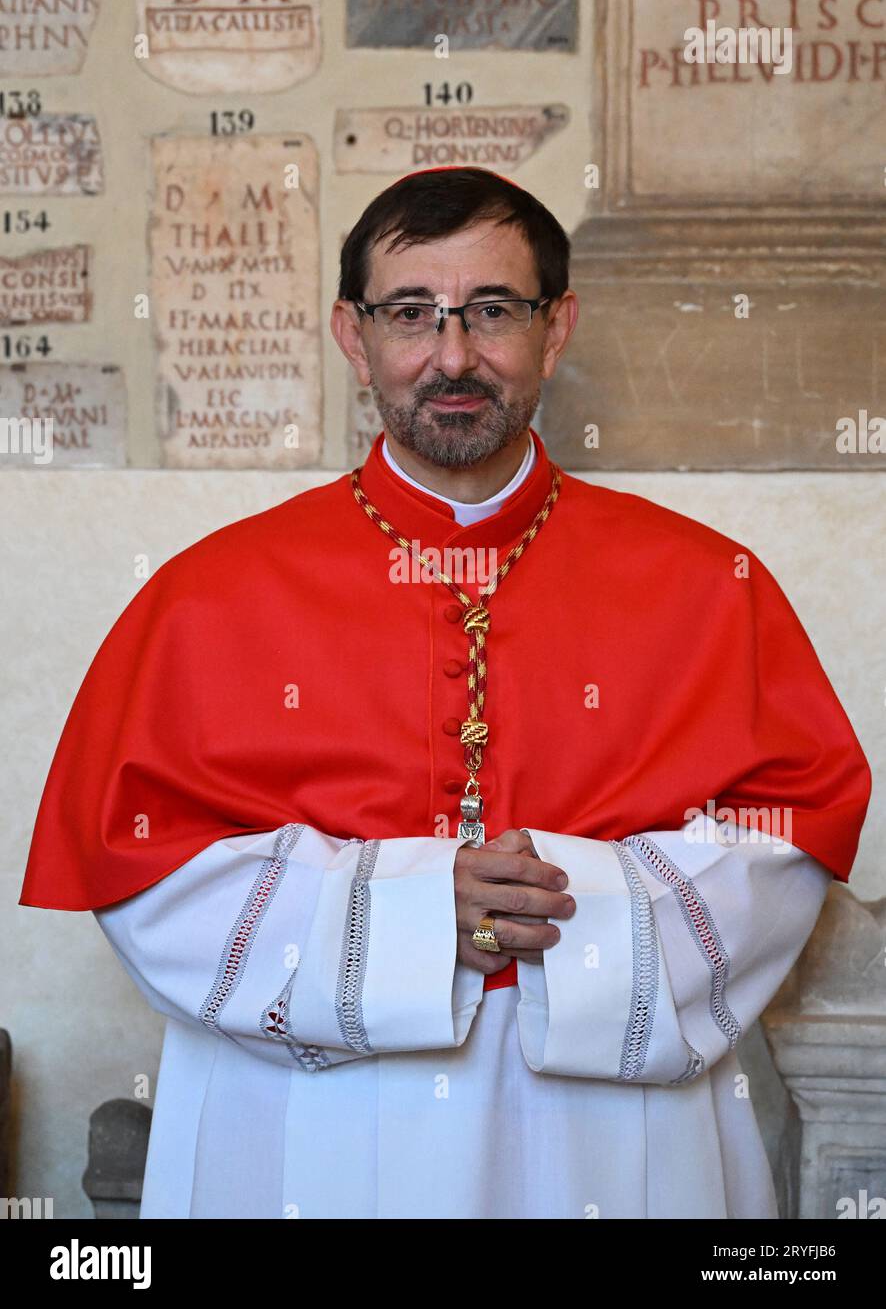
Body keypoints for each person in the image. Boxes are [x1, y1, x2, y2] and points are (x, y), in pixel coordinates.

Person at [20, 167, 871, 1219]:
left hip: (609, 1139)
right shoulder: (209, 594)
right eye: (412, 313)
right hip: (305, 1135)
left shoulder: (708, 586)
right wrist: (420, 915)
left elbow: (786, 831)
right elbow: (142, 864)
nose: (453, 354)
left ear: (556, 329)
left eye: (494, 311)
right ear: (352, 333)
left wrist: (572, 904)